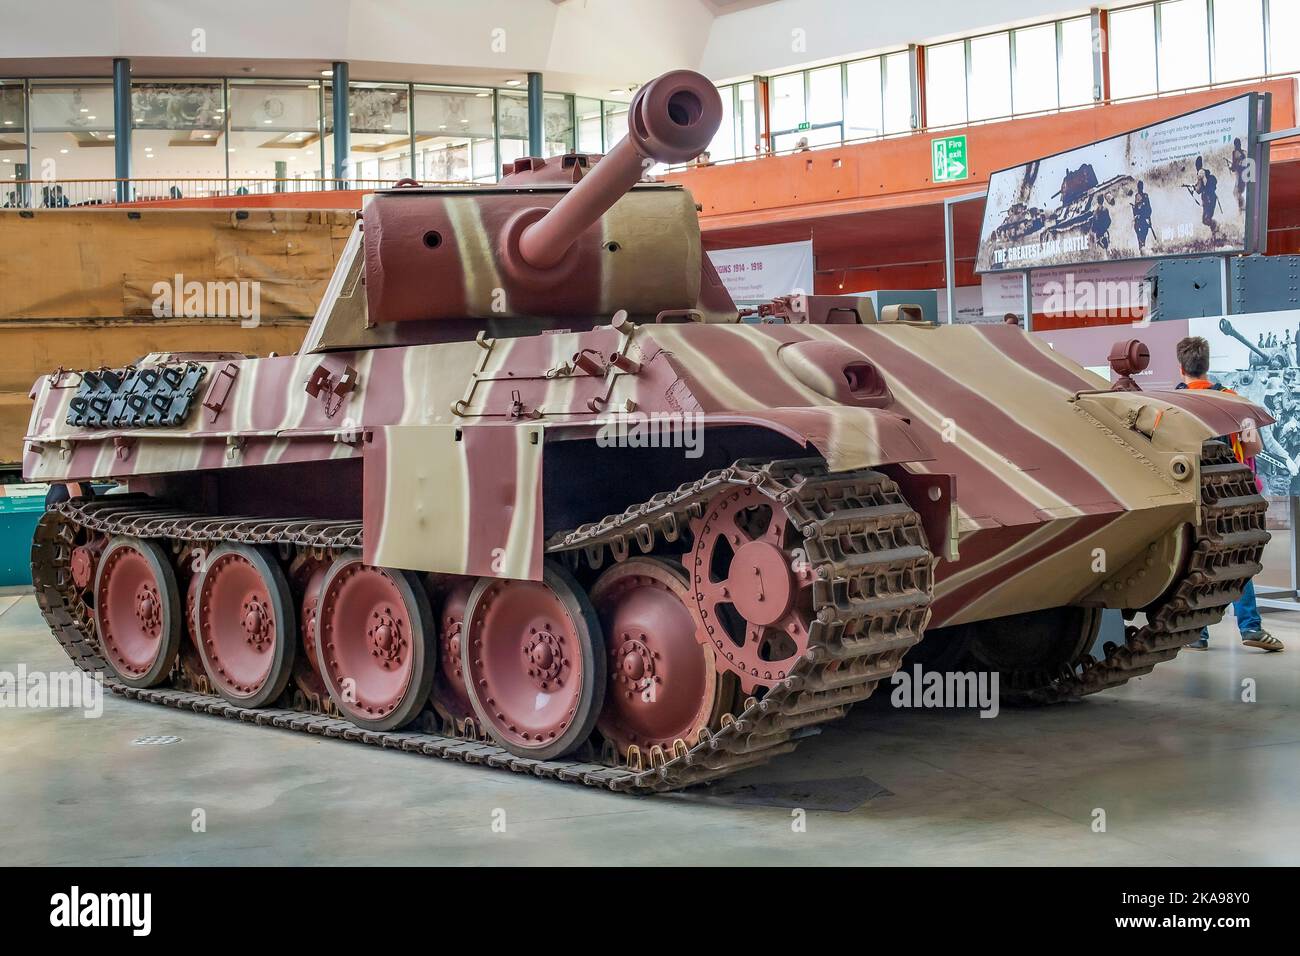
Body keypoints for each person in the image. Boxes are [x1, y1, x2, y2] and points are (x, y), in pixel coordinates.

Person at [1175, 336, 1283, 651]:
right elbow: (1254, 446)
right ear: (1207, 366)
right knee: (1237, 559)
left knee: (1195, 562)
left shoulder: (1172, 402)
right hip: (1230, 494)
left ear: (1181, 367)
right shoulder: (1232, 400)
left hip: (1192, 494)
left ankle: (1198, 634)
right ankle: (1250, 627)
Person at [1193, 156, 1218, 237]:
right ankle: (1215, 234)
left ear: (1197, 165)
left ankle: (1217, 228)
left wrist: (1194, 189)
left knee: (1206, 220)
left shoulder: (1200, 173)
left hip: (1208, 199)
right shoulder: (1204, 172)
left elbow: (1199, 190)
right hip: (1212, 197)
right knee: (1207, 218)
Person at [1131, 180, 1152, 253]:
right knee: (1140, 237)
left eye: (1141, 186)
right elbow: (1136, 209)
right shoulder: (1137, 196)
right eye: (1139, 187)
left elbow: (1148, 208)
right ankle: (1141, 248)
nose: (1140, 188)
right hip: (1139, 220)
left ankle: (1142, 247)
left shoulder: (1145, 196)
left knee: (1143, 235)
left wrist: (1149, 220)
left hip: (1144, 219)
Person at [1228, 137, 1248, 212]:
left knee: (1236, 192)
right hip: (1245, 176)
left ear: (1235, 145)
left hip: (1240, 177)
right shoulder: (1244, 152)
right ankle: (1242, 208)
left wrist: (1231, 168)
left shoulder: (1234, 152)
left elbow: (1233, 167)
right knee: (1238, 192)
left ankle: (1243, 208)